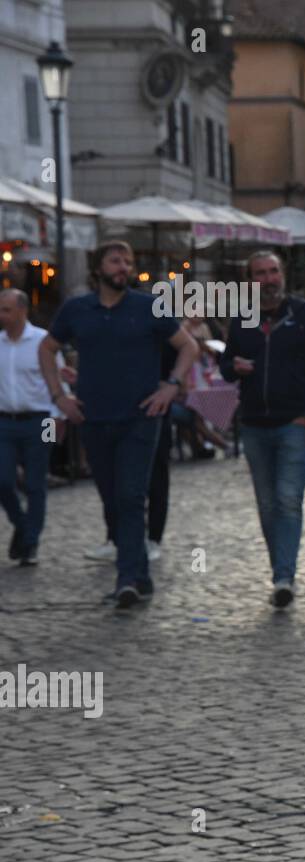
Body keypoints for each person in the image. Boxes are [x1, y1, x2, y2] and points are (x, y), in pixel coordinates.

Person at [39, 240, 198, 608]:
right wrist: (59, 396)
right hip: (93, 417)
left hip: (141, 417)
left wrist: (170, 386)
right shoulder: (77, 310)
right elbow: (46, 348)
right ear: (99, 268)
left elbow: (188, 347)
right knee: (111, 498)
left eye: (128, 261)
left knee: (130, 496)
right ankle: (140, 575)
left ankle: (126, 579)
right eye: (116, 261)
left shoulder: (148, 307)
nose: (123, 267)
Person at [218, 250, 305, 609]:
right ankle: (279, 570)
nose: (268, 280)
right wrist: (234, 366)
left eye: (273, 272)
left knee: (287, 498)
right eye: (259, 274)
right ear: (248, 280)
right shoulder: (242, 316)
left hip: (294, 423)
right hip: (254, 424)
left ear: (283, 275)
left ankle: (285, 576)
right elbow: (225, 364)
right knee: (267, 505)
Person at [0, 289, 56, 566]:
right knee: (3, 480)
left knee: (36, 484)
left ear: (22, 311)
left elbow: (57, 384)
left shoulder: (43, 342)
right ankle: (21, 524)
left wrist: (57, 422)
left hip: (41, 419)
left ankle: (31, 542)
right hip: (5, 422)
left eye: (6, 310)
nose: (2, 315)